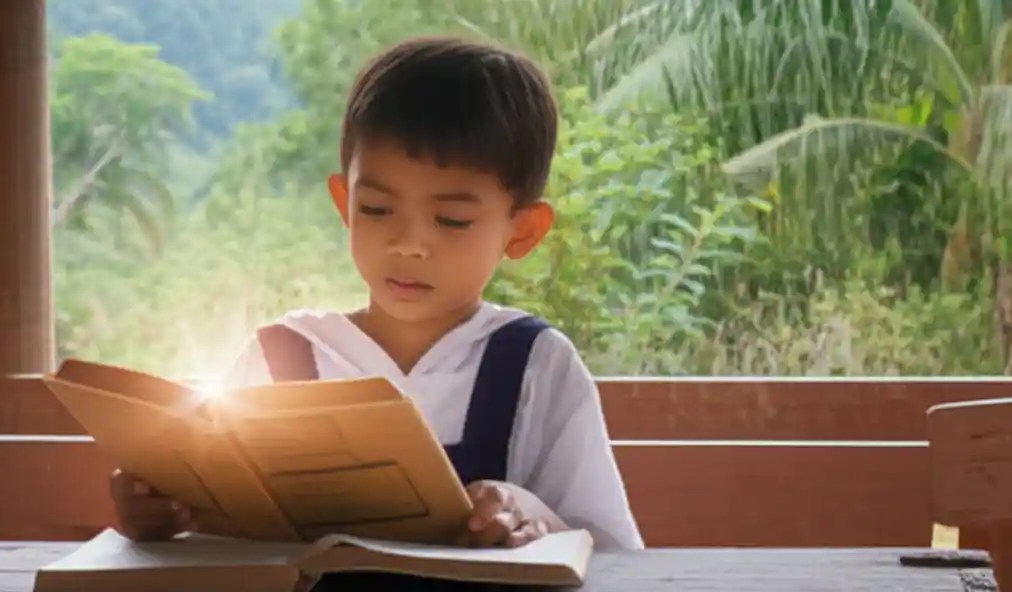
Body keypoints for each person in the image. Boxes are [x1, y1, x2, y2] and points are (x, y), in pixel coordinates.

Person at [111, 35, 644, 551]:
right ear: (344, 202)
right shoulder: (282, 356)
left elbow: (610, 551)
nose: (409, 244)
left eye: (452, 220)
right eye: (377, 210)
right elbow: (217, 523)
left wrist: (530, 513)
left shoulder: (535, 364)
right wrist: (161, 514)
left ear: (523, 231)